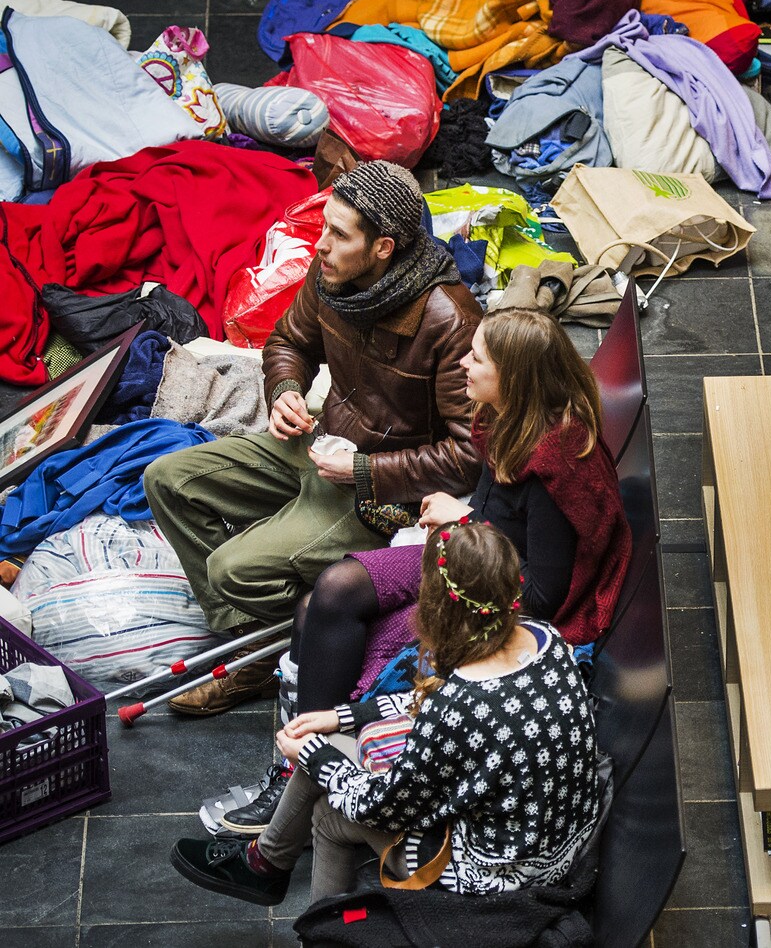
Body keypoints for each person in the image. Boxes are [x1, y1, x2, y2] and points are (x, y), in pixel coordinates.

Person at [216, 307, 633, 835]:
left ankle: (304, 771)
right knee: (334, 589)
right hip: (466, 553)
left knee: (336, 624)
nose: (464, 363)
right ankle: (301, 759)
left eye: (477, 357)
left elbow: (544, 597)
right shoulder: (501, 417)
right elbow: (493, 515)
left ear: (513, 376)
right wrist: (465, 521)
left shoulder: (554, 461)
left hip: (492, 590)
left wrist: (459, 537)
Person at [144, 160, 481, 716]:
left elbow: (470, 456)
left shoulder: (449, 320)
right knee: (167, 479)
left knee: (231, 568)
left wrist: (367, 472)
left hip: (383, 495)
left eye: (338, 234)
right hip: (323, 443)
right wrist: (285, 391)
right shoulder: (332, 277)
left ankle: (280, 643)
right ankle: (254, 642)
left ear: (383, 248)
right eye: (324, 226)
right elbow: (288, 342)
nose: (320, 244)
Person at [169, 520, 606, 904]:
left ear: (435, 604)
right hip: (561, 840)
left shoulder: (461, 702)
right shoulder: (544, 639)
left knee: (331, 815)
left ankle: (297, 904)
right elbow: (444, 712)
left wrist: (312, 756)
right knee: (329, 755)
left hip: (497, 878)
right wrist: (343, 718)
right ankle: (267, 868)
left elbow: (380, 807)